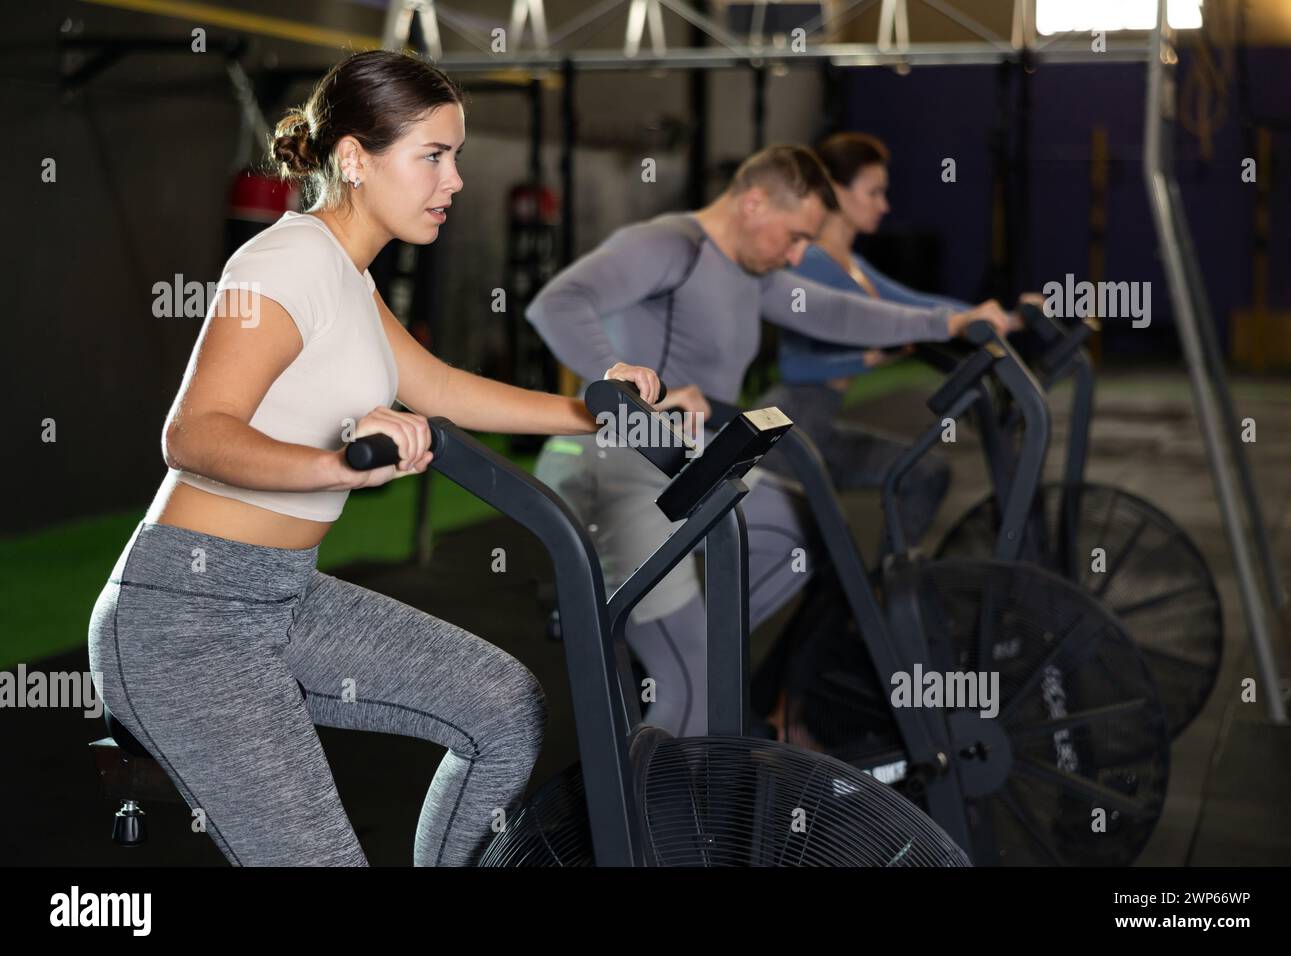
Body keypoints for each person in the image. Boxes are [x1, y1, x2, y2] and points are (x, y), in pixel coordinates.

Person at [86, 50, 664, 867]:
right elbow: (195, 434)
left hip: (282, 598)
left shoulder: (346, 274)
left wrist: (603, 411)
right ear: (355, 158)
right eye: (433, 155)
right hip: (187, 620)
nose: (454, 180)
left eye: (454, 155)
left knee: (501, 709)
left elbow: (442, 387)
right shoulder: (284, 263)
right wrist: (337, 467)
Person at [525, 144, 1010, 738]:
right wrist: (617, 380)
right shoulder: (671, 244)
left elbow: (840, 314)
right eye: (796, 235)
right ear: (754, 203)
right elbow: (557, 303)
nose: (799, 254)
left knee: (804, 534)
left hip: (683, 466)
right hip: (618, 462)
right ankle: (643, 804)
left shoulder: (750, 271)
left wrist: (948, 321)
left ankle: (689, 667)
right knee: (696, 691)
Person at [759, 131, 1039, 554]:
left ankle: (887, 594)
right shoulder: (811, 262)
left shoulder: (855, 266)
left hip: (819, 431)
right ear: (835, 191)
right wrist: (869, 356)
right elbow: (796, 366)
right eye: (873, 192)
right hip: (786, 434)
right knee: (818, 554)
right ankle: (879, 599)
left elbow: (917, 304)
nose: (883, 205)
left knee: (925, 472)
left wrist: (1002, 317)